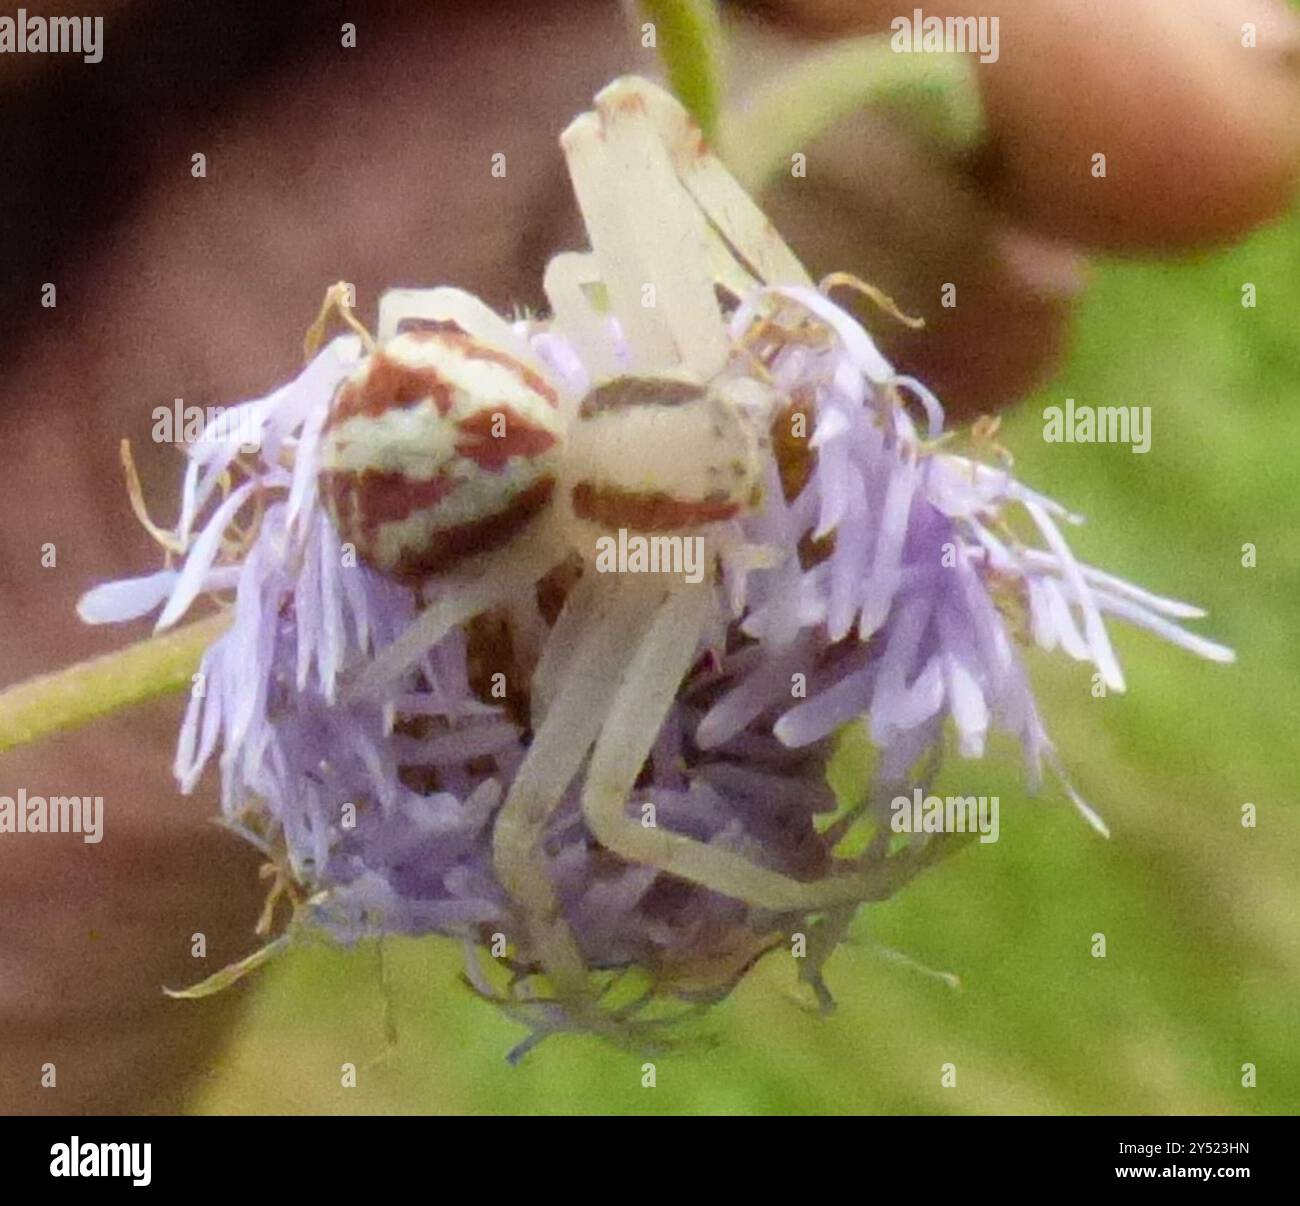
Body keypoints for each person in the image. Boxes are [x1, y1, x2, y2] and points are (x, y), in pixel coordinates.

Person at [1, 0, 1295, 1113]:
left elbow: (601, 150)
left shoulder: (596, 410)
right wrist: (787, 324)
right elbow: (553, 792)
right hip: (468, 466)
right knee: (568, 807)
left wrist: (789, 327)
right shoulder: (582, 553)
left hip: (467, 428)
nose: (751, 518)